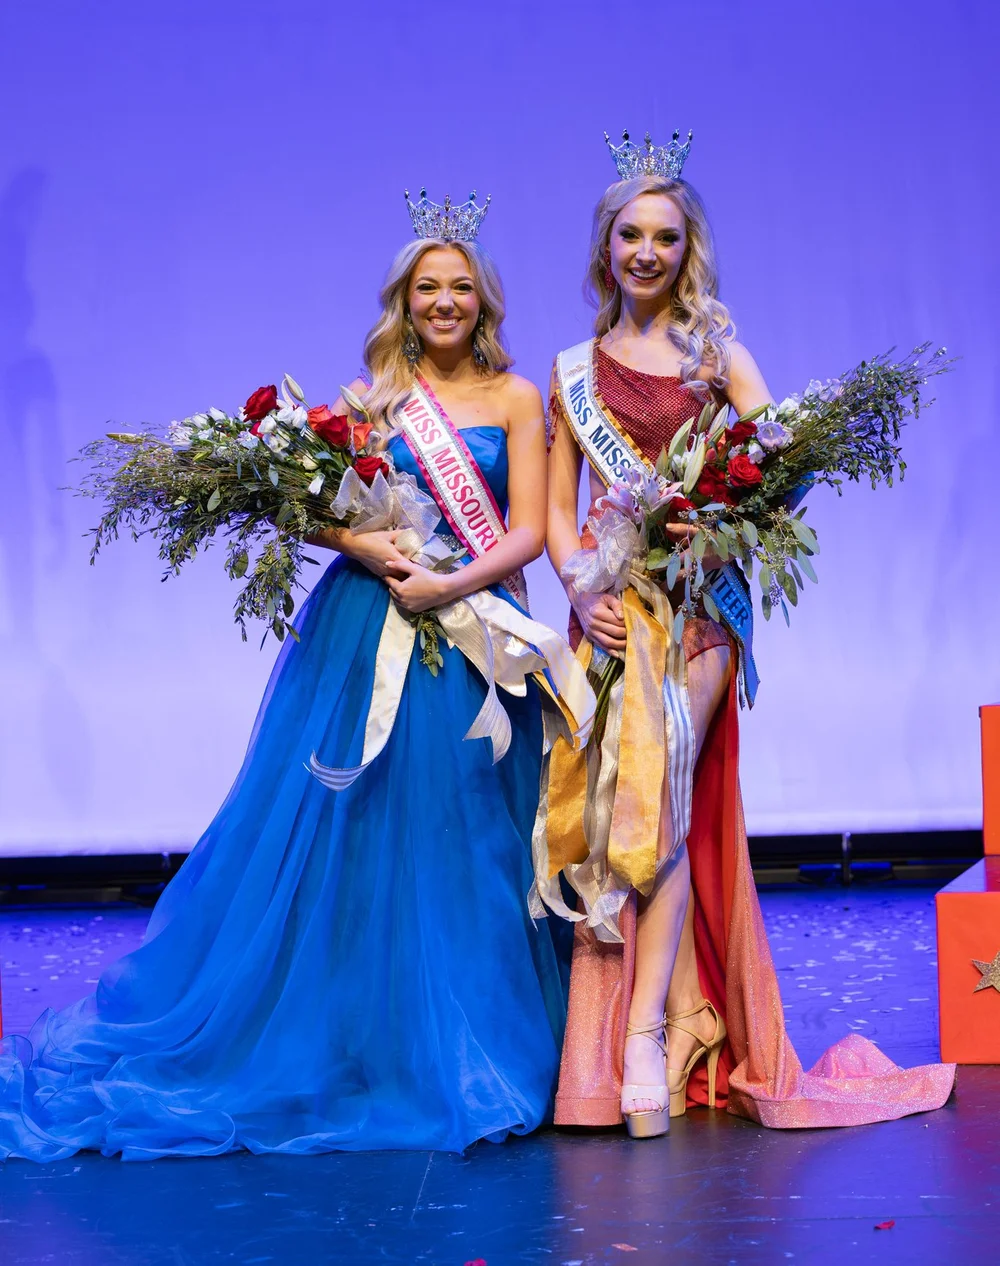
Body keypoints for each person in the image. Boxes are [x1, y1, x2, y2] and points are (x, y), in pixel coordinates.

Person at [0, 191, 591, 1160]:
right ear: (403, 301)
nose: (443, 304)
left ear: (485, 303)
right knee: (358, 832)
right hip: (368, 625)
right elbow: (311, 508)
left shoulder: (520, 399)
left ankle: (471, 1036)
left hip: (472, 622)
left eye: (460, 290)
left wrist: (451, 577)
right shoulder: (367, 396)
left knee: (466, 833)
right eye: (425, 290)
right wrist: (368, 548)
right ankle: (359, 1038)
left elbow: (527, 527)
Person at [540, 131, 956, 1137]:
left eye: (665, 239)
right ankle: (647, 1024)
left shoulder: (719, 353)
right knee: (604, 820)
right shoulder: (572, 369)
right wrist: (575, 580)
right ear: (606, 249)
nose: (646, 253)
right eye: (629, 236)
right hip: (606, 612)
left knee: (666, 807)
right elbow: (559, 507)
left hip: (694, 617)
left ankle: (646, 1031)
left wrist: (722, 519)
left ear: (689, 251)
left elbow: (779, 469)